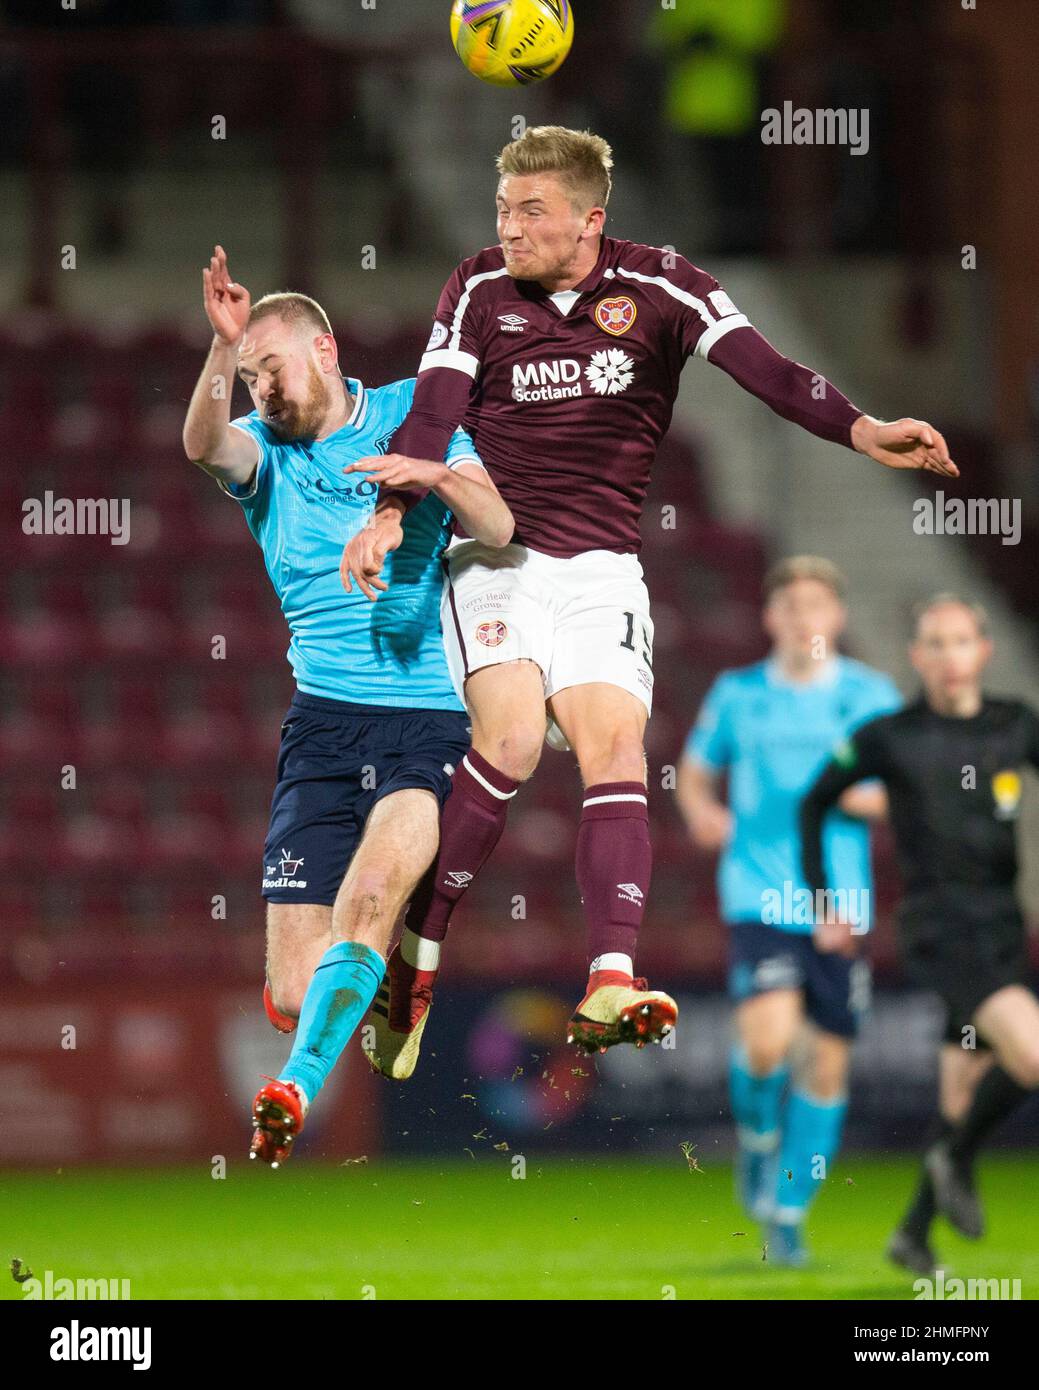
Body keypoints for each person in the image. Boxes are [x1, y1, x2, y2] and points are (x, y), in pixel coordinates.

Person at [339, 124, 956, 1078]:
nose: (508, 228)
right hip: (496, 555)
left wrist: (863, 429)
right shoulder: (476, 289)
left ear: (590, 220)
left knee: (616, 749)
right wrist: (389, 512)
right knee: (506, 741)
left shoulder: (663, 284)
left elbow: (769, 370)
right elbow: (432, 412)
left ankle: (610, 977)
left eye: (531, 212)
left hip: (601, 571)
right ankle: (420, 945)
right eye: (503, 209)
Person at [181, 246, 513, 1165]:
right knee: (293, 987)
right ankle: (392, 970)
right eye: (248, 377)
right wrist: (219, 353)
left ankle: (291, 1087)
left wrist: (421, 485)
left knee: (369, 897)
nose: (260, 389)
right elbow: (205, 446)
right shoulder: (265, 458)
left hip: (431, 718)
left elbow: (498, 525)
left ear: (324, 350)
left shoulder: (416, 411)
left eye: (268, 367)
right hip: (322, 728)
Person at [801, 594, 1039, 1273]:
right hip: (939, 927)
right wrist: (825, 904)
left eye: (960, 641)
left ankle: (911, 1234)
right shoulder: (889, 736)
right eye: (933, 643)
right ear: (915, 657)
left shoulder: (1013, 724)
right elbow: (815, 801)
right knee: (1029, 1058)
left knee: (959, 1094)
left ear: (983, 649)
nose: (947, 656)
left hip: (1002, 924)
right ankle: (954, 1158)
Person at [677, 556, 900, 1265]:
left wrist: (857, 797)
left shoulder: (869, 696)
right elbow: (693, 768)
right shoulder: (739, 694)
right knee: (768, 1043)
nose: (804, 618)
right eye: (791, 606)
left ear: (835, 616)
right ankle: (756, 1139)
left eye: (816, 606)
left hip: (839, 906)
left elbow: (904, 788)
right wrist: (701, 809)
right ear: (771, 616)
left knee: (825, 1070)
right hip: (758, 892)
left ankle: (788, 1212)